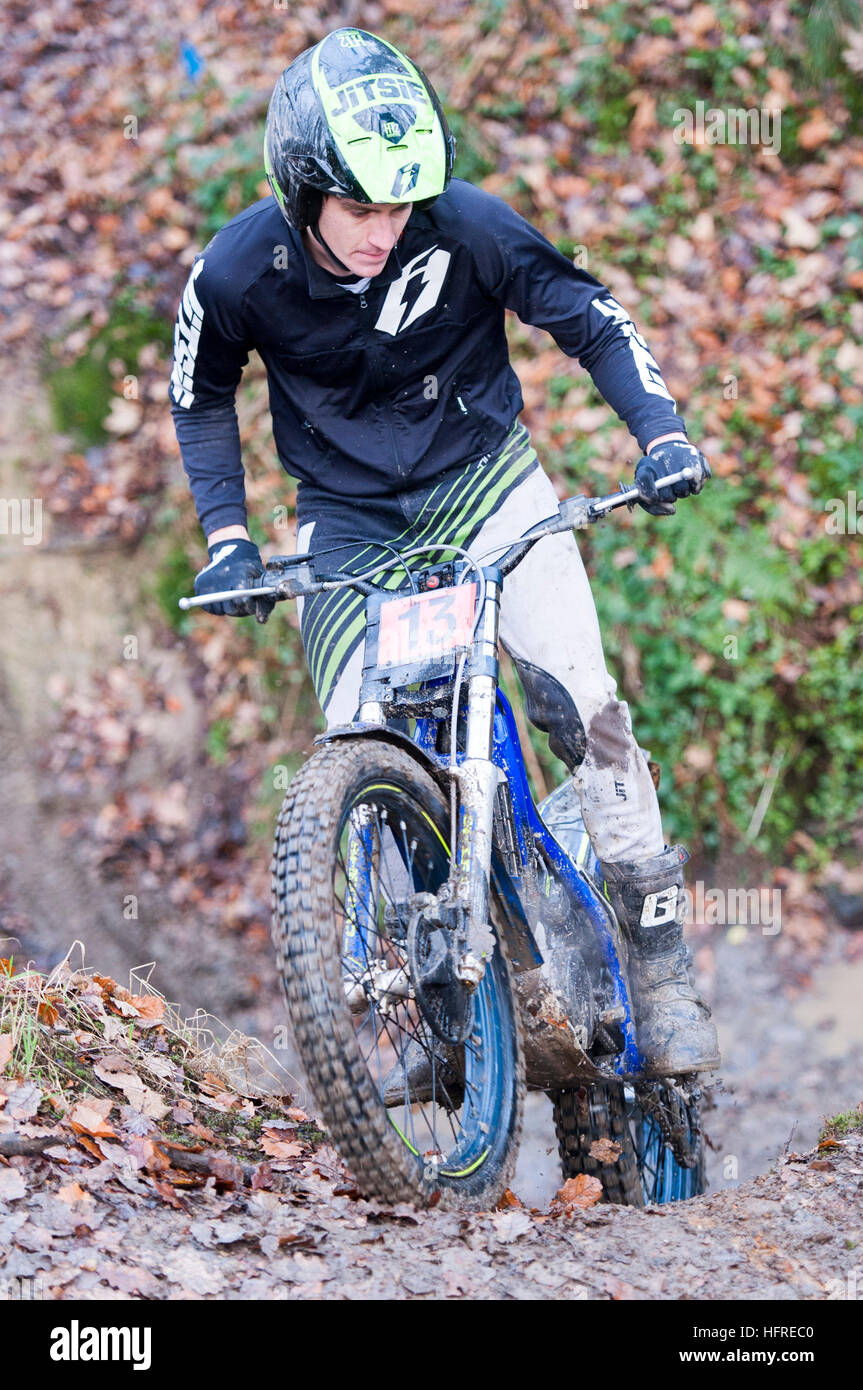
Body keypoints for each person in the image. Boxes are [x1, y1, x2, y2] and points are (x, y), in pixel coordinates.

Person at [170, 26, 719, 1076]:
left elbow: (590, 317)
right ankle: (436, 987)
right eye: (361, 207)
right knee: (354, 736)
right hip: (347, 519)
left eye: (399, 205)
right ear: (302, 194)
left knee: (588, 706)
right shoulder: (240, 268)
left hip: (487, 483)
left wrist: (662, 436)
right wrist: (229, 538)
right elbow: (198, 391)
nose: (385, 230)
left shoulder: (465, 226)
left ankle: (661, 964)